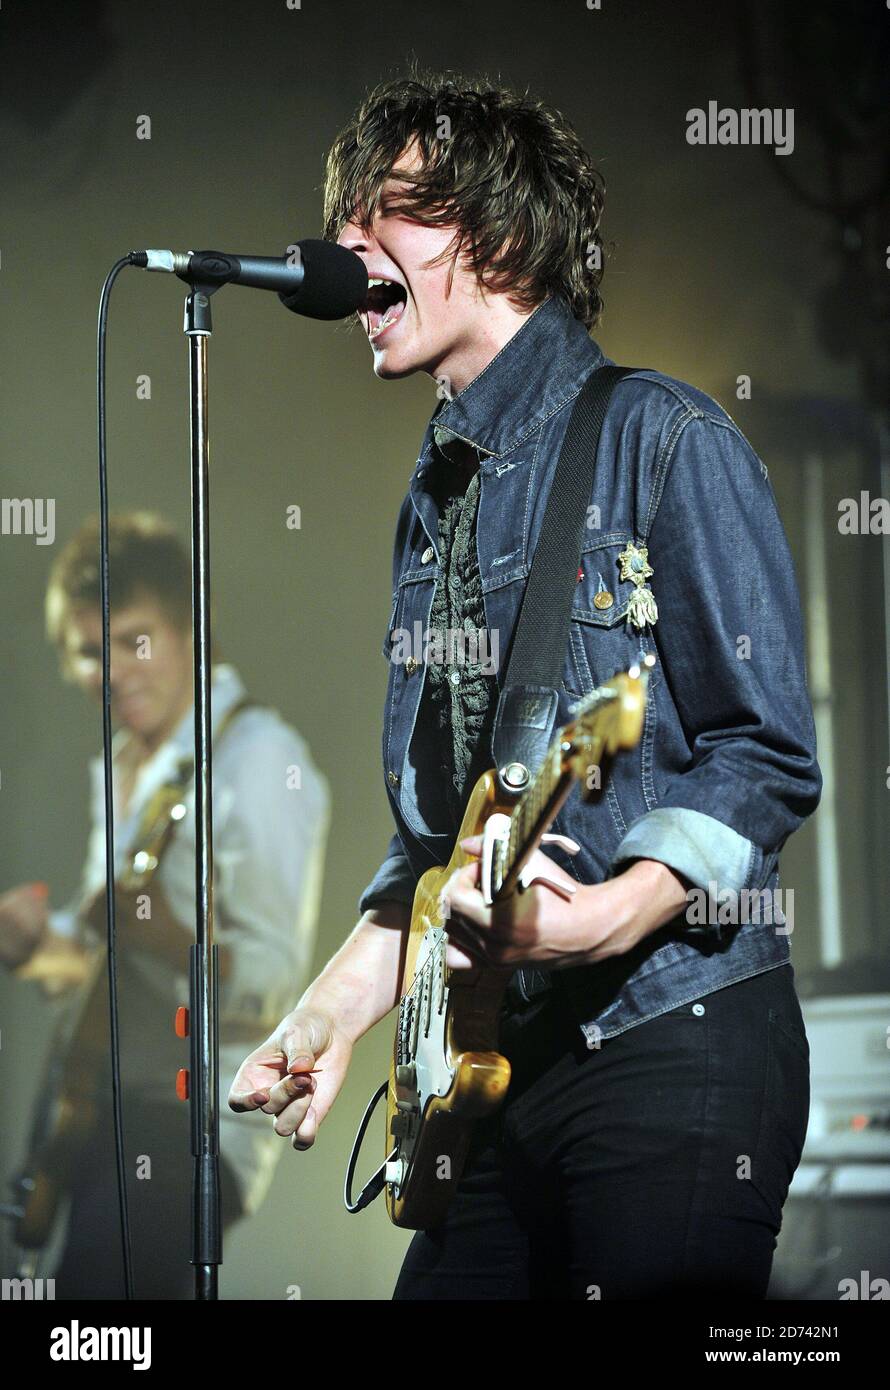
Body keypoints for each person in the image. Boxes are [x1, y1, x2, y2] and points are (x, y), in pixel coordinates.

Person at [229, 69, 821, 1300]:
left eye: (379, 214)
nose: (342, 250)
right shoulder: (432, 501)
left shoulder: (664, 437)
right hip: (491, 1071)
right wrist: (330, 1019)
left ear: (493, 235)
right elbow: (437, 846)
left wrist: (596, 917)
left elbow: (762, 753)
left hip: (672, 1039)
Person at [1, 512, 329, 1298]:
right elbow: (97, 964)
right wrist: (34, 943)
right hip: (102, 1109)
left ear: (189, 632)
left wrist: (150, 930)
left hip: (194, 1124)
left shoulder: (257, 760)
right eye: (89, 651)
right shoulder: (124, 769)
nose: (112, 670)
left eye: (134, 640)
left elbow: (276, 987)